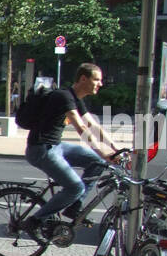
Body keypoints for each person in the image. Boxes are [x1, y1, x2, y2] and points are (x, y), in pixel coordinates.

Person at [22, 63, 122, 233]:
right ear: (83, 79)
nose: (101, 84)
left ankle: (74, 206)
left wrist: (116, 149)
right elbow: (82, 128)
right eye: (97, 80)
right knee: (75, 187)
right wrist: (104, 153)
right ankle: (34, 221)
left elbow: (93, 125)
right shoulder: (64, 96)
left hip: (56, 146)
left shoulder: (76, 98)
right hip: (41, 150)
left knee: (97, 162)